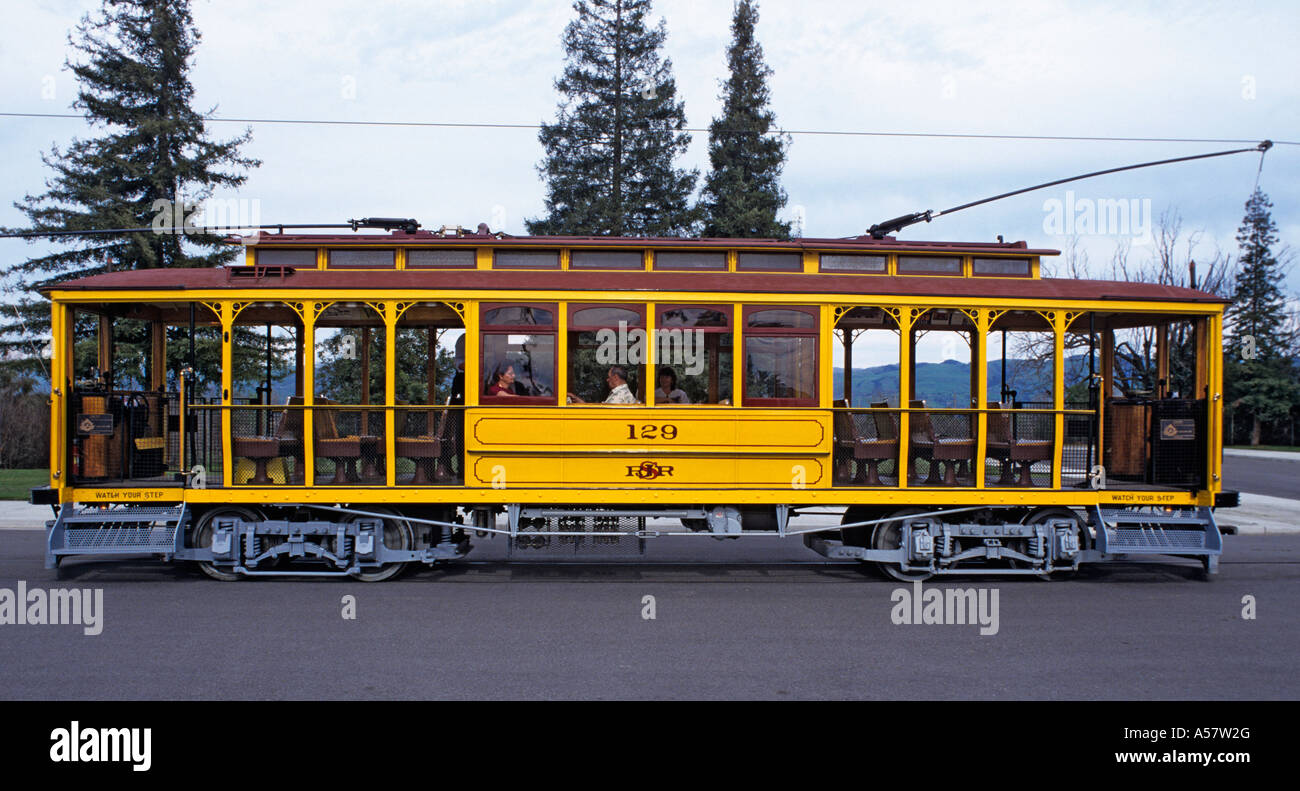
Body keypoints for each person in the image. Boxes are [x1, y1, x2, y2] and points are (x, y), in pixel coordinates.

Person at [568, 366, 639, 404]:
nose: (607, 380)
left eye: (609, 377)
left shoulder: (619, 396)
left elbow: (601, 415)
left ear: (616, 377)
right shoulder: (623, 393)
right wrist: (580, 401)